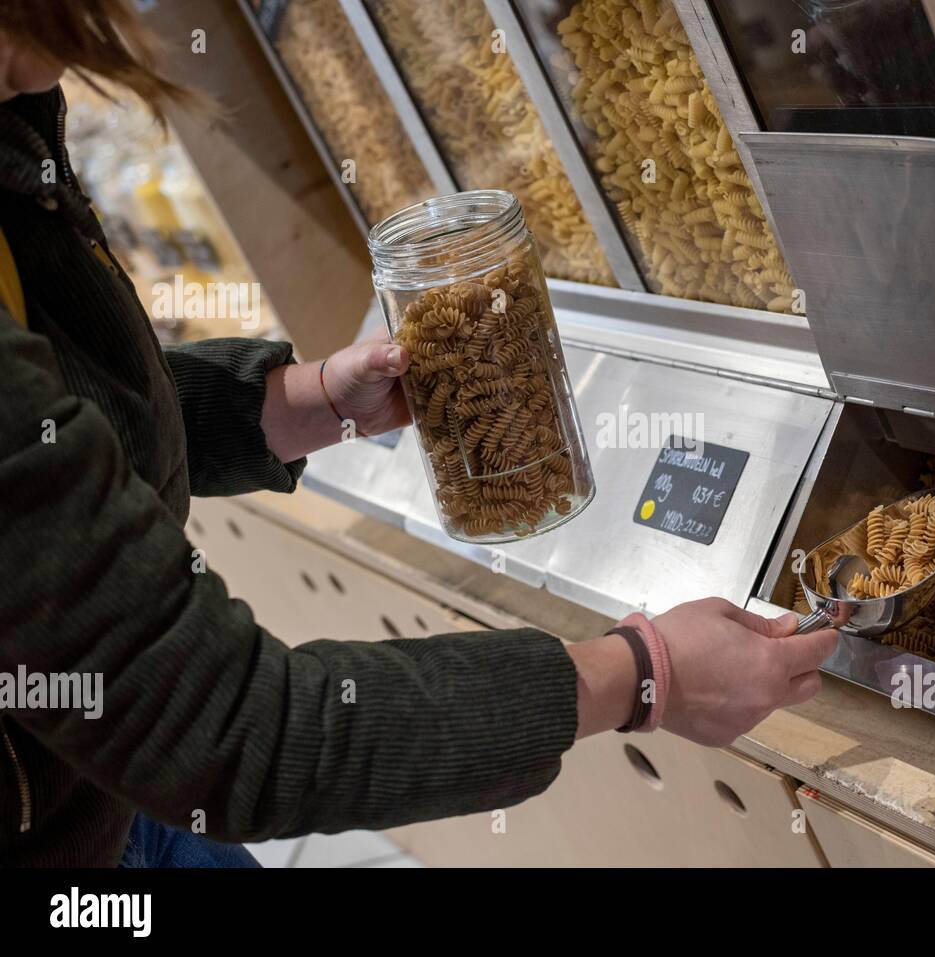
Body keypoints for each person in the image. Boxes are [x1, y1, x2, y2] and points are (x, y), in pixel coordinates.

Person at [0, 1, 839, 867]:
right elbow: (240, 731)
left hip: (100, 780)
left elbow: (64, 417)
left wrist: (301, 401)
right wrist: (643, 673)